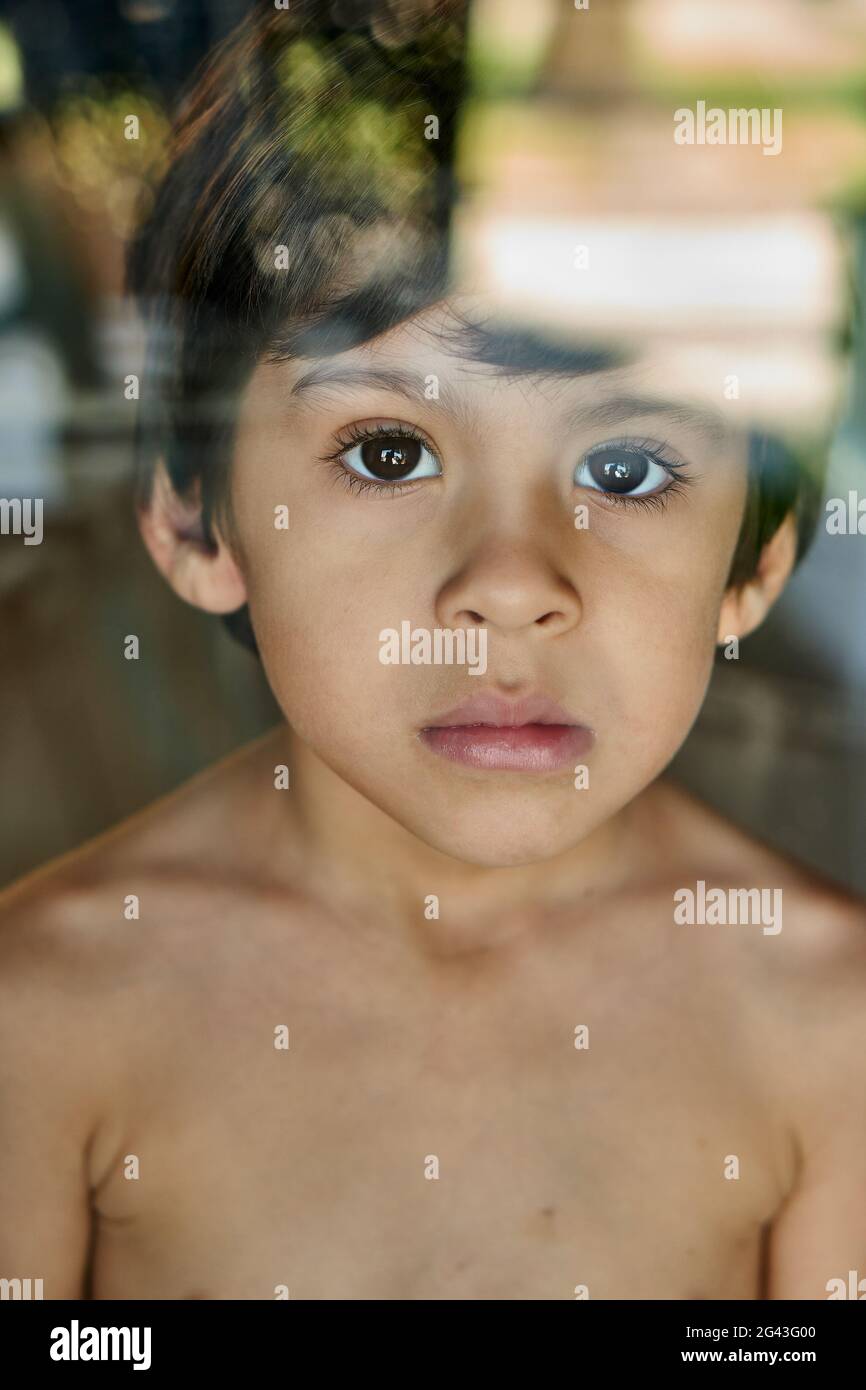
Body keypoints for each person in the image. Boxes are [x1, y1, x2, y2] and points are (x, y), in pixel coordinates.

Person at [1, 1, 864, 1301]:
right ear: (194, 518)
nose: (511, 586)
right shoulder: (41, 1012)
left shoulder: (829, 1030)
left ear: (753, 558)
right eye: (387, 451)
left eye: (623, 466)